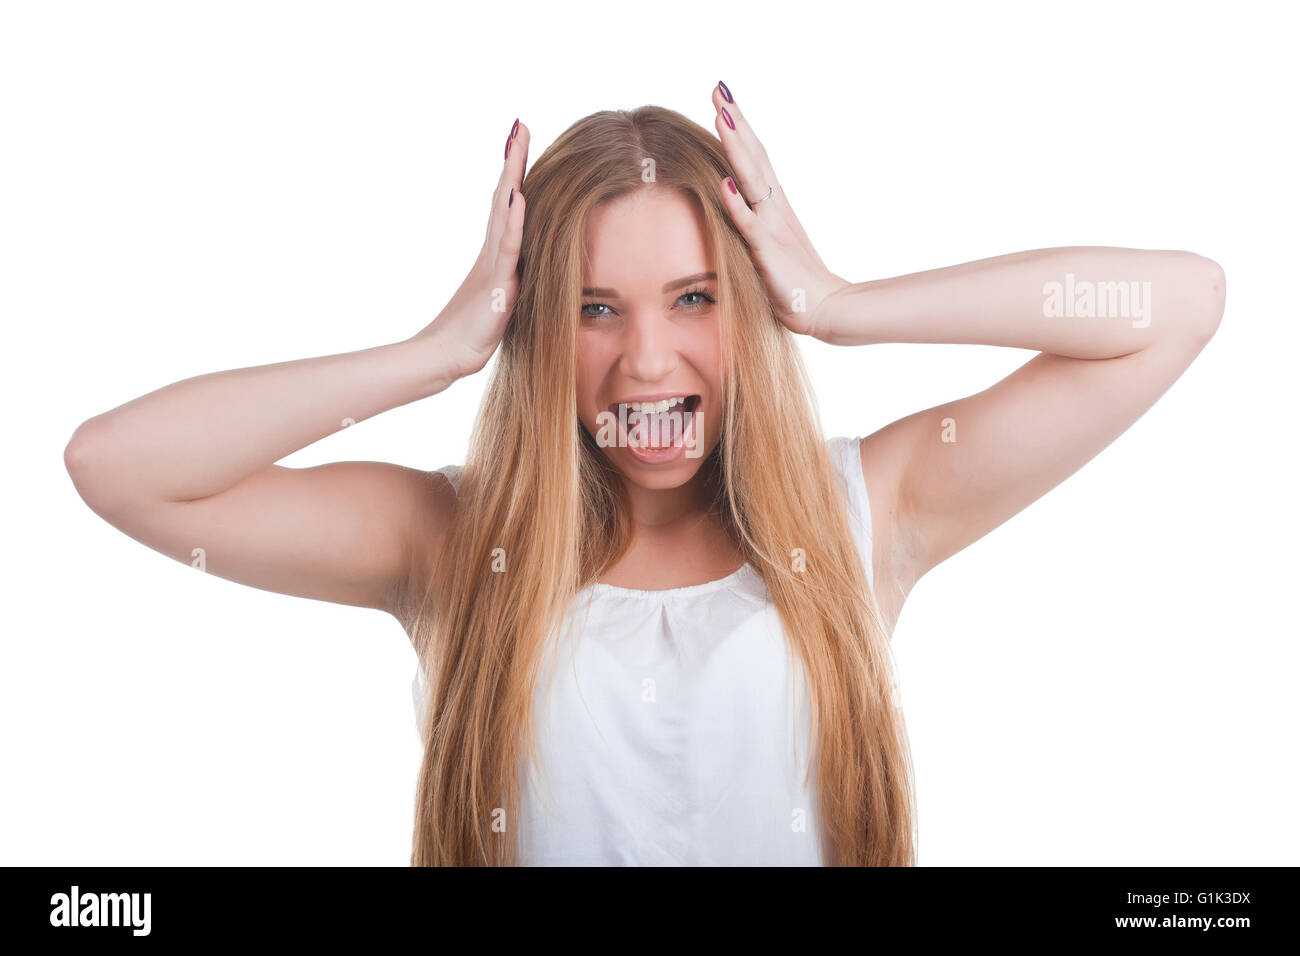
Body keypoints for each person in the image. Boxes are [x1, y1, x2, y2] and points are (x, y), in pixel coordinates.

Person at [63, 83, 1226, 866]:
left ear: (747, 308)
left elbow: (1174, 306)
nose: (648, 357)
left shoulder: (868, 509)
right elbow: (118, 468)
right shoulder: (449, 541)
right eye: (592, 309)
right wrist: (431, 352)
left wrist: (841, 305)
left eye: (693, 298)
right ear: (532, 328)